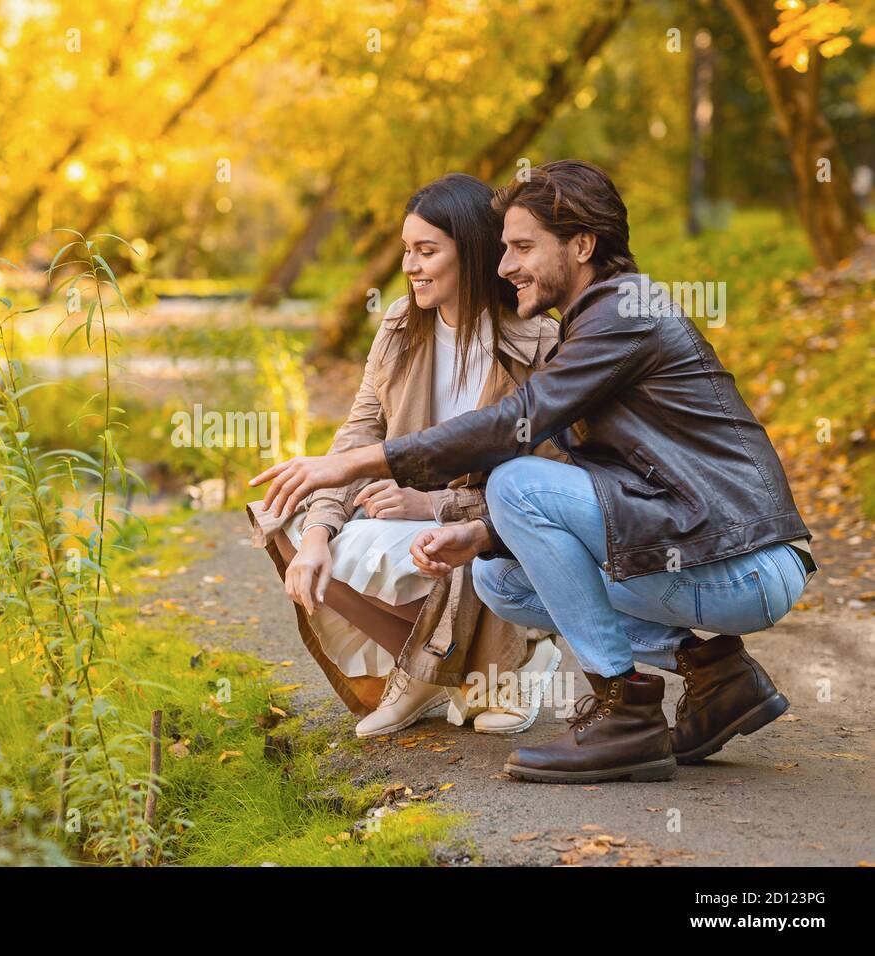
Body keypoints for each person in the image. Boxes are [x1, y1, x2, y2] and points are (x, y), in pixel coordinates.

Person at [250, 160, 815, 783]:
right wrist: (482, 535)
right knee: (500, 580)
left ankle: (622, 710)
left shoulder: (624, 313)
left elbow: (517, 424)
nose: (505, 266)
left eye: (522, 247)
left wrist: (364, 463)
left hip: (746, 563)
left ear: (581, 245)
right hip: (696, 548)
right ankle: (717, 674)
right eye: (503, 248)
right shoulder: (590, 321)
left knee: (514, 483)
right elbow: (592, 484)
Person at [247, 173, 563, 739]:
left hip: (491, 528)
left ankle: (521, 659)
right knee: (288, 521)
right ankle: (426, 674)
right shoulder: (399, 325)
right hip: (406, 517)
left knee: (456, 543)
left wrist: (433, 503)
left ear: (470, 252)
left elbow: (552, 477)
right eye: (405, 251)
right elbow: (358, 435)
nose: (411, 267)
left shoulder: (538, 339)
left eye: (426, 251)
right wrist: (317, 535)